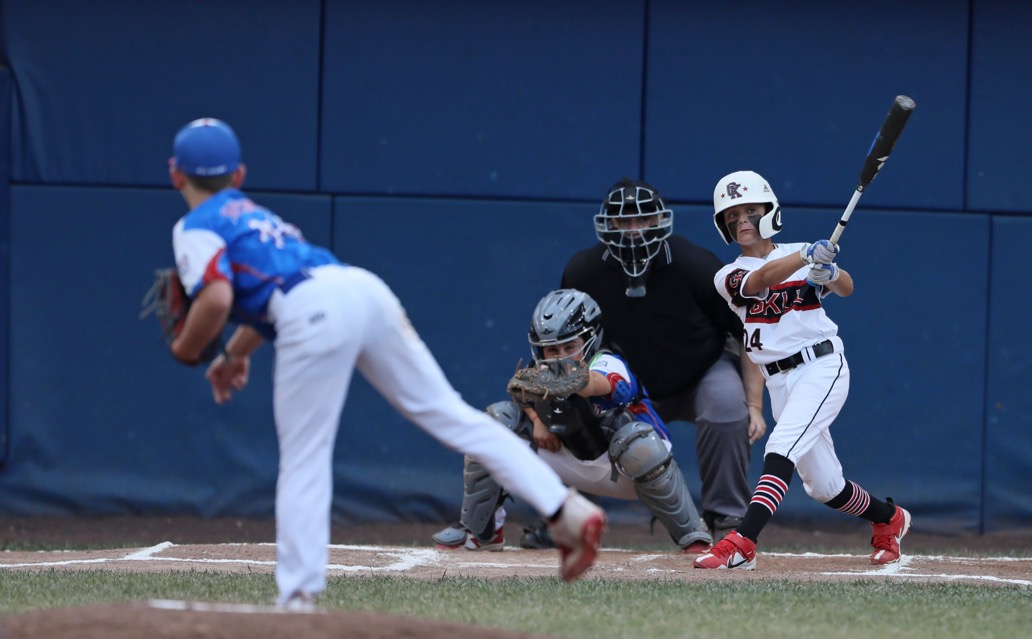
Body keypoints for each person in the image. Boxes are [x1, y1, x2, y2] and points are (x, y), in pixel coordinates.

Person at [162, 118, 605, 608]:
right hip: (361, 289)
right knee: (451, 415)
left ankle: (297, 599)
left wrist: (187, 348)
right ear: (239, 175)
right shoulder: (254, 215)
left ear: (175, 174)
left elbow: (217, 297)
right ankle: (564, 509)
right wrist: (232, 355)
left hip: (312, 312)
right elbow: (281, 286)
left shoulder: (195, 224)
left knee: (304, 458)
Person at [693, 170, 911, 570]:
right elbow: (760, 278)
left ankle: (743, 541)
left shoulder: (800, 253)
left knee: (781, 447)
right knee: (824, 486)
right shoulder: (726, 275)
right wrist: (807, 256)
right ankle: (889, 519)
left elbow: (847, 288)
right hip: (779, 379)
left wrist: (829, 273)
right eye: (732, 215)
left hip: (822, 365)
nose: (741, 219)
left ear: (769, 212)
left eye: (750, 210)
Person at [560, 177, 766, 540]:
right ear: (608, 225)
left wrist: (754, 405)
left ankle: (727, 517)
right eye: (624, 221)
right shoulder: (583, 271)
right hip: (617, 381)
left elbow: (747, 332)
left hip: (698, 372)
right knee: (567, 414)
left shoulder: (696, 265)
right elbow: (565, 342)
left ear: (660, 221)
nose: (634, 231)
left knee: (727, 410)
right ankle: (560, 515)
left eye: (642, 220)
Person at [432, 289, 713, 554]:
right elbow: (523, 397)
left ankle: (692, 535)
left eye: (570, 347)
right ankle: (481, 531)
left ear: (589, 341)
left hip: (623, 471)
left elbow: (597, 384)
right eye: (552, 351)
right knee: (496, 421)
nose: (560, 357)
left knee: (637, 441)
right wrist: (536, 420)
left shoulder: (606, 362)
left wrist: (574, 379)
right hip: (566, 461)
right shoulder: (536, 371)